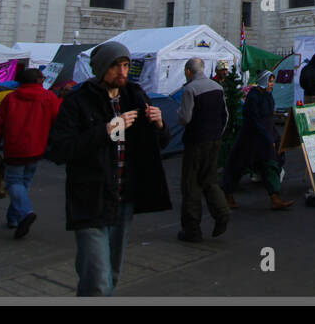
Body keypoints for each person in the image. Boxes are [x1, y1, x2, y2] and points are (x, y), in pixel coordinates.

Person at [47, 41, 172, 297]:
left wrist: (160, 125)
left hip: (122, 197)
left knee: (109, 274)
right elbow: (60, 149)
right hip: (90, 197)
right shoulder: (78, 102)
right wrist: (106, 130)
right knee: (98, 280)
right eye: (116, 66)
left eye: (126, 66)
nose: (122, 72)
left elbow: (157, 143)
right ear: (101, 68)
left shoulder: (134, 96)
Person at [0, 67, 61, 239]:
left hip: (14, 148)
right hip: (37, 147)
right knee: (24, 182)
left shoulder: (10, 98)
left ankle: (24, 212)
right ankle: (14, 218)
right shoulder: (49, 97)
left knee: (13, 182)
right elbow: (58, 119)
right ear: (38, 81)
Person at [222, 71, 293, 210]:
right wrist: (267, 136)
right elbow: (253, 120)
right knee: (237, 165)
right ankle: (227, 195)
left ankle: (274, 197)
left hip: (265, 134)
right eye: (270, 81)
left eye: (272, 81)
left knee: (270, 164)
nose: (272, 85)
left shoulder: (267, 95)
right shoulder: (253, 97)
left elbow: (268, 115)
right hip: (250, 136)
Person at [178, 57, 230, 242]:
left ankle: (192, 228)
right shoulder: (217, 87)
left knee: (191, 183)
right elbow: (225, 115)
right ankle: (222, 212)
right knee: (210, 179)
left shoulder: (190, 89)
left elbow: (185, 117)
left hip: (196, 140)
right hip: (214, 139)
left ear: (188, 71)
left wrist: (178, 114)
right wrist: (217, 133)